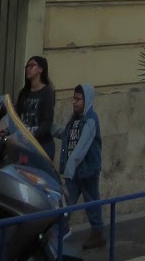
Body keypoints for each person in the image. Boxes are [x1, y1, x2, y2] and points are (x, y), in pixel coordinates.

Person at [61, 84, 104, 249]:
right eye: (74, 99)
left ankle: (97, 233)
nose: (75, 102)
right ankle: (59, 230)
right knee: (66, 202)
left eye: (78, 99)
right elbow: (67, 137)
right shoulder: (74, 120)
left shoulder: (91, 120)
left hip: (88, 170)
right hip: (75, 171)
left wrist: (68, 169)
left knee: (91, 200)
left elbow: (81, 148)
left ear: (87, 100)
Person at [14, 56, 56, 164]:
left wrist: (33, 135)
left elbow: (47, 121)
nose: (28, 68)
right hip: (24, 145)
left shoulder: (47, 92)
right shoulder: (24, 93)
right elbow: (16, 116)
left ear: (40, 69)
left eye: (32, 65)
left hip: (42, 145)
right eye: (27, 66)